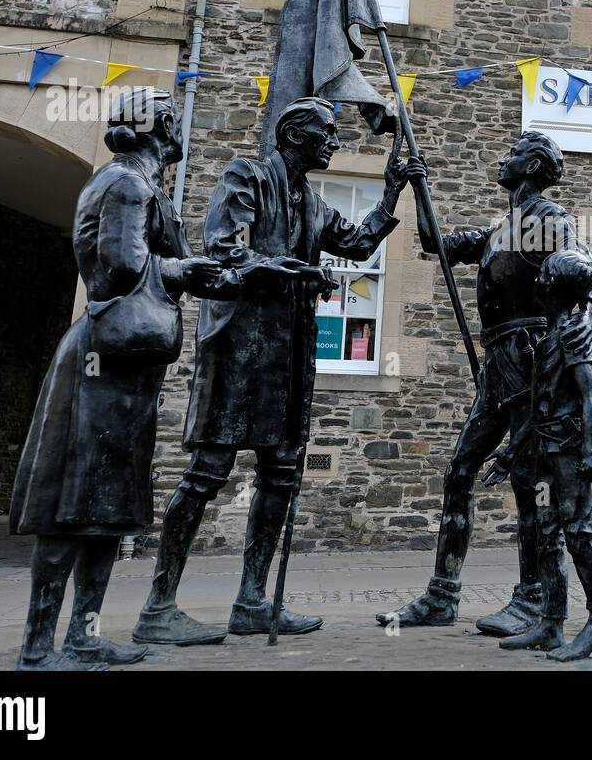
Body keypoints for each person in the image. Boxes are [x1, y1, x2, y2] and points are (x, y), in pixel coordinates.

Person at [135, 96, 420, 646]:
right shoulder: (246, 177)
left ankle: (252, 602)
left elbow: (358, 245)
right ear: (295, 135)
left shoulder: (311, 203)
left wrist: (391, 189)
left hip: (286, 357)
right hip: (238, 348)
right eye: (327, 132)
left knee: (281, 475)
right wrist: (288, 272)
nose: (335, 141)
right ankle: (158, 605)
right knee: (207, 475)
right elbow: (224, 251)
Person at [10, 88, 240, 670]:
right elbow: (121, 267)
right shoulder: (126, 186)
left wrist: (251, 273)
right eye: (174, 118)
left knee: (106, 511)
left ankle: (84, 636)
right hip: (100, 362)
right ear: (161, 126)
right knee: (72, 508)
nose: (181, 127)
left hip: (126, 366)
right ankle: (38, 650)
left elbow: (173, 266)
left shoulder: (144, 188)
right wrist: (183, 269)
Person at [376, 132, 592, 635]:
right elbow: (436, 244)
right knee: (459, 471)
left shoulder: (548, 220)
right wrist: (416, 186)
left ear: (534, 165)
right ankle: (442, 594)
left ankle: (535, 595)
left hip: (531, 358)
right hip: (498, 364)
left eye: (514, 153)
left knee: (530, 484)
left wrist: (584, 312)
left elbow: (581, 268)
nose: (502, 158)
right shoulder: (501, 229)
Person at [499, 250, 592, 660]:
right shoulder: (551, 335)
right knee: (546, 534)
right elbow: (539, 404)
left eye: (542, 276)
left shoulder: (570, 336)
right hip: (543, 453)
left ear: (549, 286)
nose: (536, 282)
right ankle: (551, 623)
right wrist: (511, 450)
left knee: (579, 534)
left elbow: (589, 397)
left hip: (566, 456)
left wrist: (587, 450)